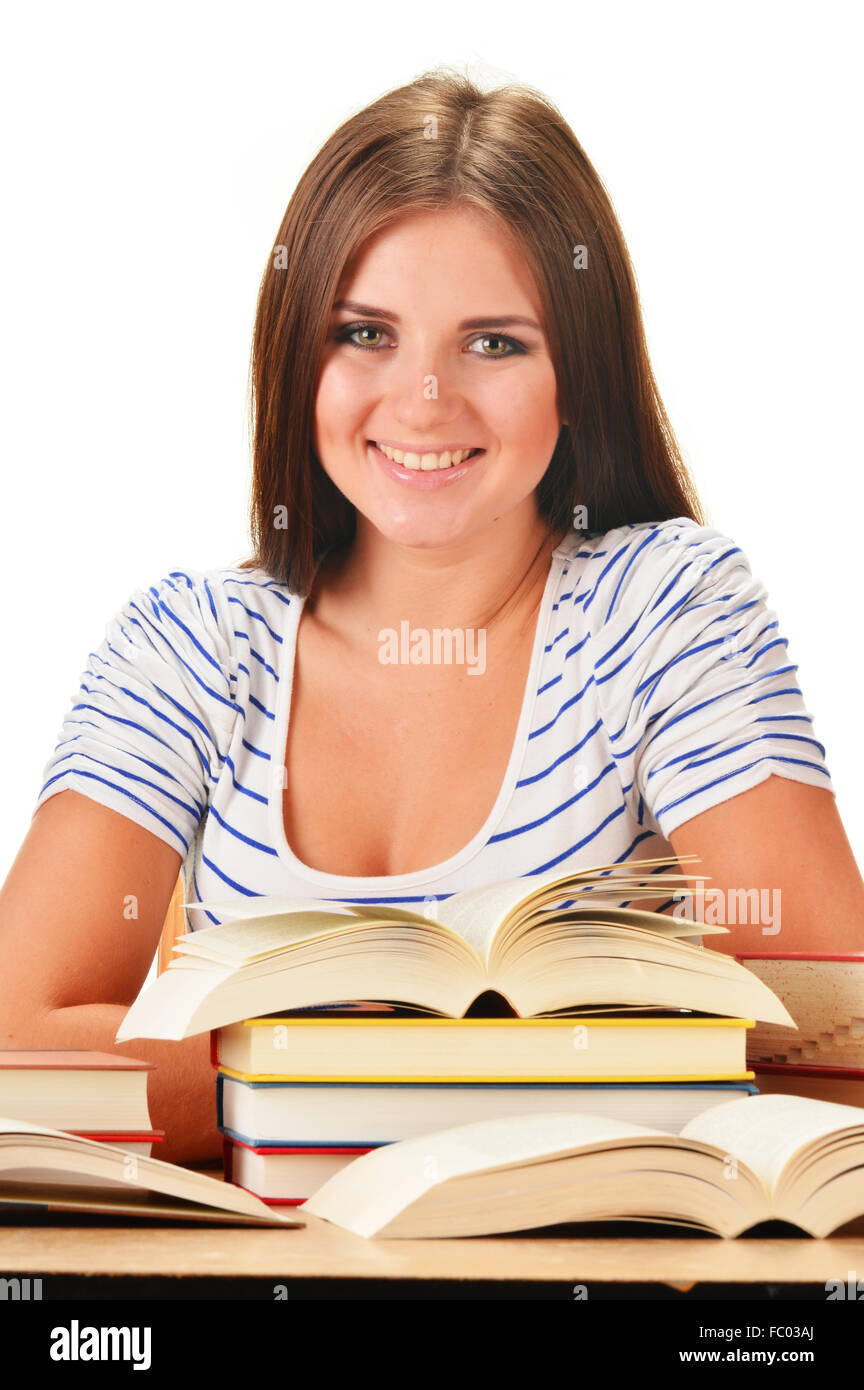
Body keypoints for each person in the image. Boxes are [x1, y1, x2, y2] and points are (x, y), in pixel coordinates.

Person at [2, 68, 861, 1165]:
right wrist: (397, 1053)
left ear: (578, 376)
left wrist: (313, 1073)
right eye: (366, 334)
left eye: (494, 342)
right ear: (295, 353)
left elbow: (833, 1044)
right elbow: (18, 1054)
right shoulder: (186, 643)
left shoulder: (668, 606)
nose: (424, 400)